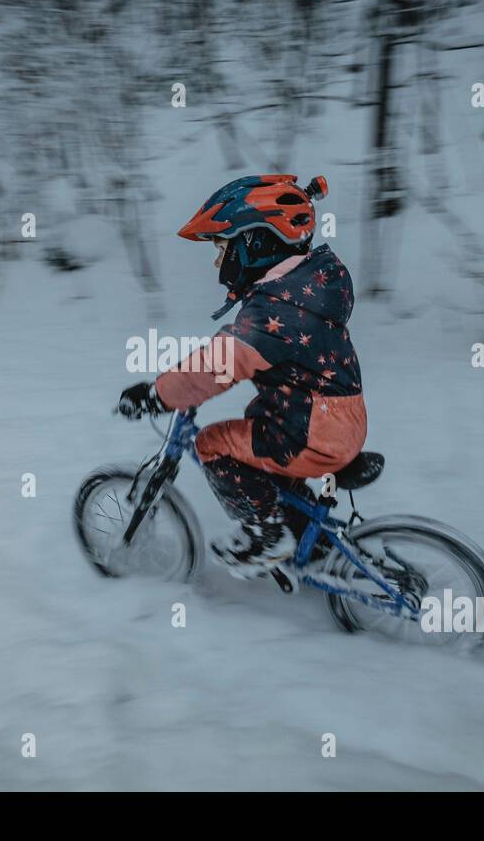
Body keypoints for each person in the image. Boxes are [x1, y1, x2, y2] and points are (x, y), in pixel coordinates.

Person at [117, 174, 367, 581]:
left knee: (212, 444)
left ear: (256, 242)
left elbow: (220, 364)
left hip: (314, 430)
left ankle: (267, 535)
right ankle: (308, 535)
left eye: (223, 248)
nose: (219, 262)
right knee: (258, 436)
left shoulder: (275, 313)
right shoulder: (311, 285)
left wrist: (157, 394)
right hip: (336, 417)